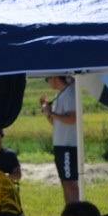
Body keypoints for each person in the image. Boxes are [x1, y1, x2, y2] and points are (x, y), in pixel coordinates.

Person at [40, 75, 79, 204]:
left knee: (70, 182)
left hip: (68, 145)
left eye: (47, 79)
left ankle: (75, 214)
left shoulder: (69, 93)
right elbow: (56, 122)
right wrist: (47, 113)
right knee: (65, 181)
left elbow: (72, 118)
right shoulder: (61, 95)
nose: (48, 83)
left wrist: (51, 113)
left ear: (55, 77)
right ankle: (70, 212)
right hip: (61, 145)